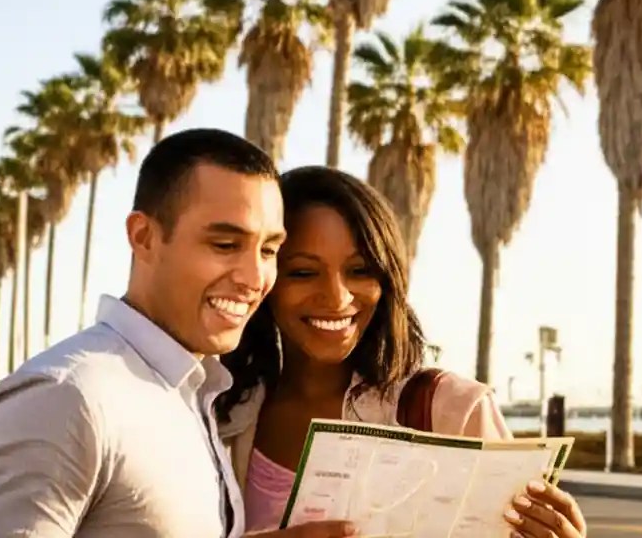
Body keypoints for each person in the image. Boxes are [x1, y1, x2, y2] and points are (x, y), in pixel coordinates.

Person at [0, 129, 356, 538]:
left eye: (268, 251)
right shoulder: (64, 398)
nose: (255, 277)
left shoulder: (196, 392)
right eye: (226, 245)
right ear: (144, 237)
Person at [217, 166, 587, 538]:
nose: (337, 297)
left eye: (360, 270)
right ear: (266, 278)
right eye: (302, 272)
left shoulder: (455, 412)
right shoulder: (220, 413)